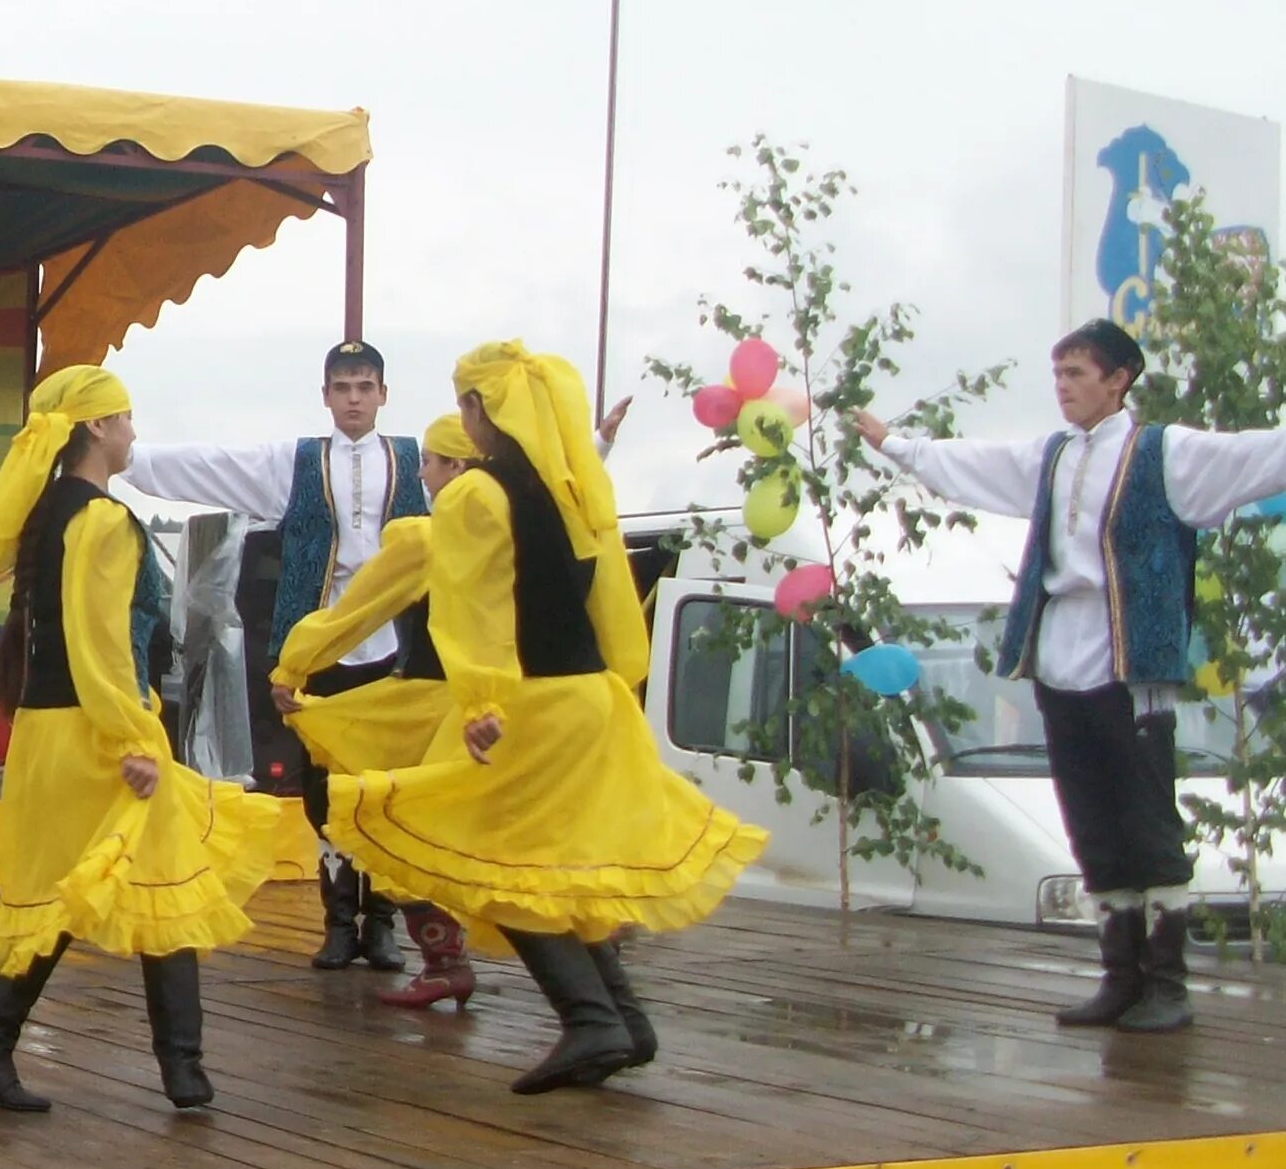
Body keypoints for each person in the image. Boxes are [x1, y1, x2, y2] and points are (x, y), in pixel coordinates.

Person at [322, 344, 766, 1094]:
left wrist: (482, 699)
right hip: (592, 697)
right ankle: (622, 1020)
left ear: (480, 410)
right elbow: (610, 598)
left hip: (530, 702)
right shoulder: (569, 489)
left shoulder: (475, 496)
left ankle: (592, 1020)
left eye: (467, 403)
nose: (465, 415)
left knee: (501, 864)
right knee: (558, 867)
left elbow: (475, 606)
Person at [857, 318, 1286, 1034]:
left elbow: (1258, 455)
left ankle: (1167, 986)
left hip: (1130, 661)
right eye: (1057, 376)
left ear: (1119, 380)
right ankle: (1119, 978)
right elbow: (980, 465)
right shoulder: (1054, 456)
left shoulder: (1164, 453)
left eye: (1077, 375)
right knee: (1089, 819)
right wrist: (896, 445)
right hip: (1060, 654)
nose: (1063, 388)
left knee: (1146, 819)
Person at [0, 365, 292, 1114]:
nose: (135, 431)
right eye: (127, 418)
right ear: (97, 428)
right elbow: (101, 642)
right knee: (158, 875)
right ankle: (177, 1066)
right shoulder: (100, 519)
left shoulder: (48, 519)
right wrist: (135, 735)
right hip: (96, 729)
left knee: (63, 890)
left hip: (47, 732)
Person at [123, 338, 429, 974]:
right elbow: (210, 465)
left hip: (395, 647)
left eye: (364, 386)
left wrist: (591, 447)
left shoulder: (416, 461)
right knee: (324, 786)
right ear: (325, 396)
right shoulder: (293, 463)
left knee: (391, 783)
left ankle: (383, 924)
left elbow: (494, 493)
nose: (353, 397)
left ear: (382, 394)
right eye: (342, 386)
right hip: (318, 645)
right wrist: (122, 456)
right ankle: (339, 920)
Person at [273, 413, 481, 1009]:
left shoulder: (428, 541)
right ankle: (588, 967)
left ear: (457, 468)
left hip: (426, 709)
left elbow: (354, 614)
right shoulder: (513, 535)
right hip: (503, 712)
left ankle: (444, 957)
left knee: (390, 824)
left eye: (435, 463)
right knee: (491, 838)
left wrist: (293, 666)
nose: (424, 473)